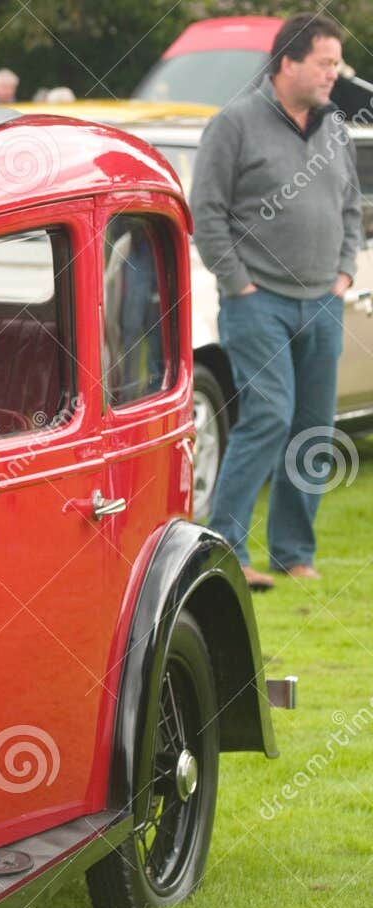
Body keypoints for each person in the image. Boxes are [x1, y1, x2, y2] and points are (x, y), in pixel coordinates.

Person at [192, 13, 359, 589]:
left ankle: (294, 554)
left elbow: (350, 209)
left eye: (336, 63)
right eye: (324, 63)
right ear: (288, 62)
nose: (333, 74)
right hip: (257, 302)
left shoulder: (334, 128)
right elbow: (207, 212)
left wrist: (344, 273)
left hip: (323, 302)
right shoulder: (234, 124)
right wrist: (238, 283)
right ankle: (227, 549)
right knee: (268, 416)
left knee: (313, 429)